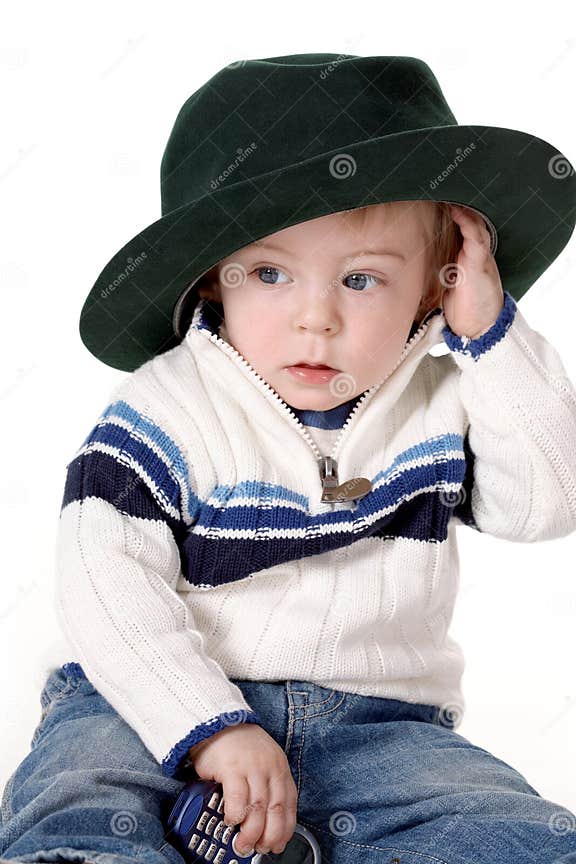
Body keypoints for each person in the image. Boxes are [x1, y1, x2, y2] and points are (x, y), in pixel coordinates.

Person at [2, 53, 576, 864]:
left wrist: (491, 336)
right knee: (85, 791)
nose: (317, 319)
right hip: (152, 706)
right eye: (269, 273)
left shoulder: (447, 397)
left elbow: (547, 503)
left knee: (505, 827)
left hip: (378, 731)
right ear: (212, 283)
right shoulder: (164, 410)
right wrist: (210, 724)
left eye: (363, 280)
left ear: (431, 286)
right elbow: (105, 587)